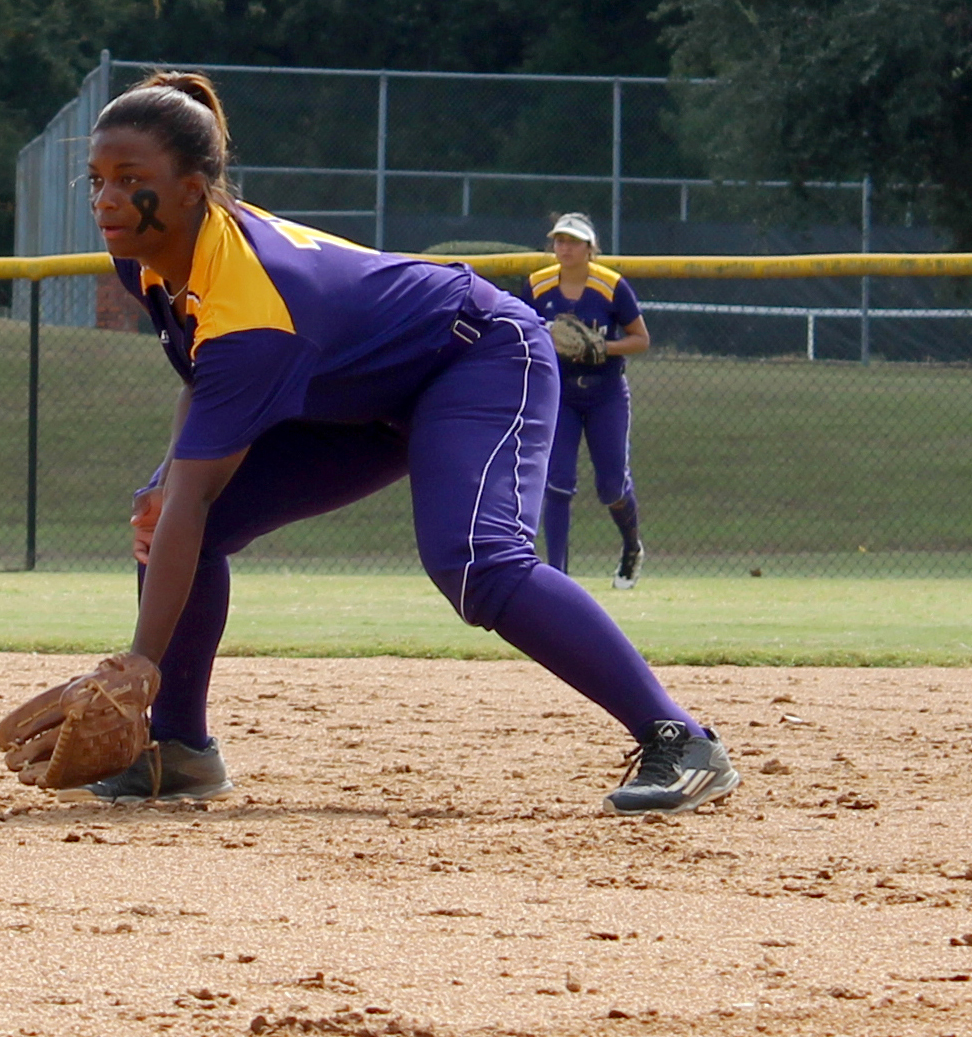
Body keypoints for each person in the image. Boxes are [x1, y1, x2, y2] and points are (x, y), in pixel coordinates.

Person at [65, 70, 738, 815]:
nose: (106, 199)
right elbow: (202, 372)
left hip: (473, 352)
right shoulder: (145, 254)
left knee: (476, 559)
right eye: (96, 179)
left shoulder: (249, 298)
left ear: (193, 188)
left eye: (131, 179)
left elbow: (223, 387)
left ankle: (679, 737)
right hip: (364, 396)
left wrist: (139, 664)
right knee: (180, 525)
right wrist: (169, 476)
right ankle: (182, 751)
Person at [516, 214, 651, 588]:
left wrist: (602, 348)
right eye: (559, 240)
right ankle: (558, 579)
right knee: (557, 482)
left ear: (590, 248)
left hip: (605, 394)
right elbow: (521, 330)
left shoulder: (610, 287)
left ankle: (631, 548)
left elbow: (641, 339)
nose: (565, 247)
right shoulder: (538, 285)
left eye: (573, 241)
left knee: (611, 486)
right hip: (559, 396)